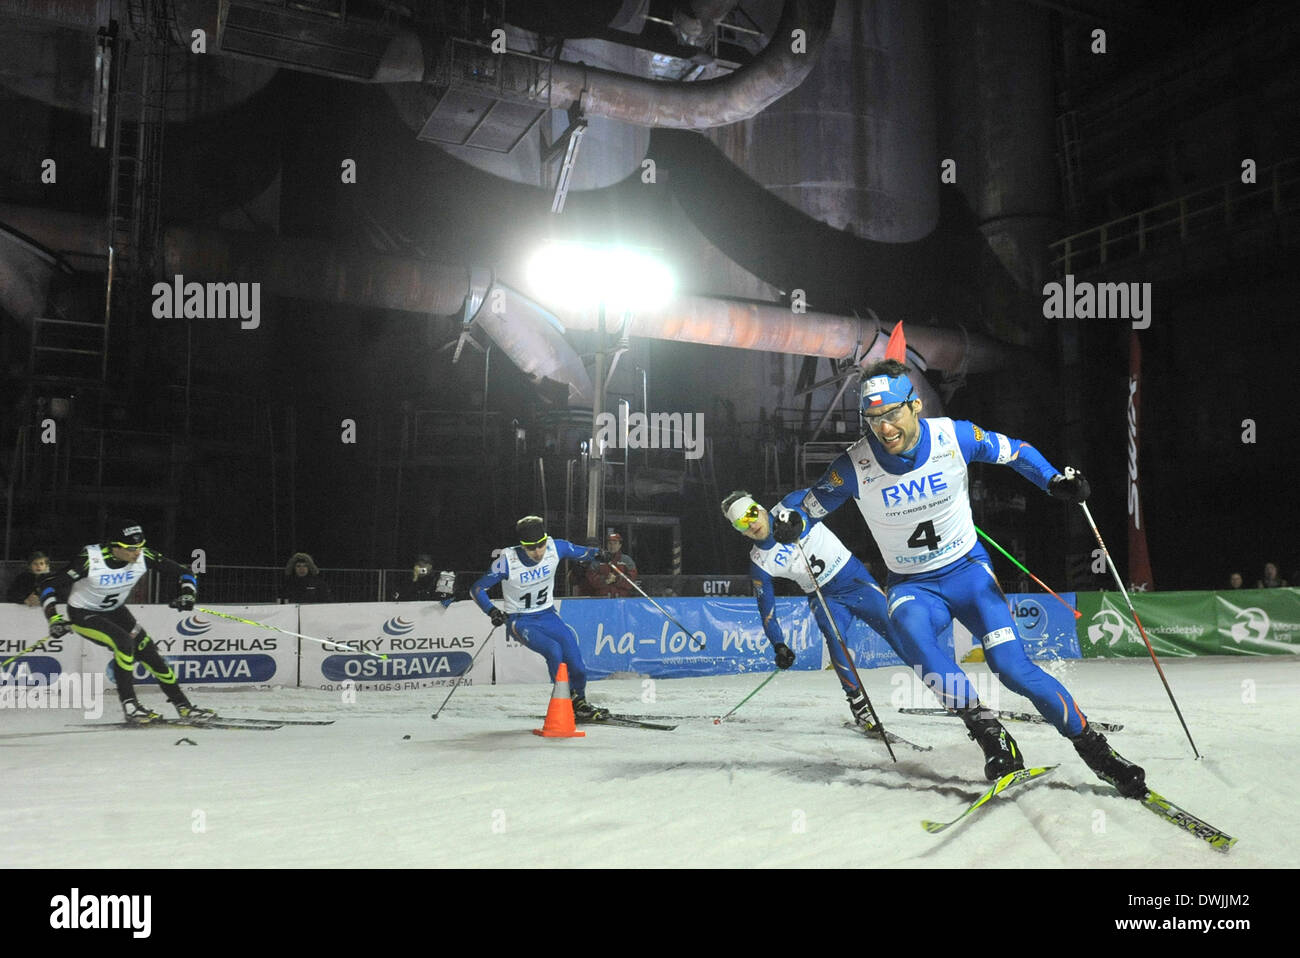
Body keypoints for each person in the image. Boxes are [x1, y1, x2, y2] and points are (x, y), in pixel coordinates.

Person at [772, 359, 1146, 797]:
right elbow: (810, 504)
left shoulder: (954, 436)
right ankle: (989, 733)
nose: (884, 428)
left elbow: (1017, 451)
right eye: (872, 419)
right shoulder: (854, 465)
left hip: (968, 573)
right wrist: (792, 521)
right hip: (912, 585)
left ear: (914, 406)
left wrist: (1054, 482)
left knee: (1012, 670)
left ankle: (1096, 750)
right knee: (914, 639)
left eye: (892, 414)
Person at [722, 490, 971, 730]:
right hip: (824, 597)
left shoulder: (792, 503)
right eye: (741, 524)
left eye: (751, 514)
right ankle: (858, 704)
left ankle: (946, 689)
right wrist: (778, 644)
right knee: (835, 638)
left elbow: (836, 490)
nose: (751, 524)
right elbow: (766, 611)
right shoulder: (759, 563)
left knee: (902, 634)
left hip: (853, 579)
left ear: (762, 509)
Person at [38, 520, 215, 724]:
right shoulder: (90, 560)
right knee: (123, 642)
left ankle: (184, 708)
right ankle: (131, 707)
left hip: (115, 612)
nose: (137, 553)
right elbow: (47, 585)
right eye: (131, 549)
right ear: (114, 546)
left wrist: (187, 594)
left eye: (139, 547)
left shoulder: (143, 556)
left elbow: (185, 572)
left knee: (151, 654)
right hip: (84, 614)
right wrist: (54, 618)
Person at [470, 516, 611, 719]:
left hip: (548, 616)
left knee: (578, 665)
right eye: (531, 548)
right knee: (554, 650)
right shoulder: (507, 561)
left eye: (541, 545)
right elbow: (477, 589)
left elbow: (584, 553)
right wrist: (492, 611)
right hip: (521, 620)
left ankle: (579, 702)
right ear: (522, 545)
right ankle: (564, 701)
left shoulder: (556, 547)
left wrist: (599, 554)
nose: (538, 552)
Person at [584, 530, 638, 597]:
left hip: (622, 600)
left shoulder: (627, 560)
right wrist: (605, 580)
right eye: (610, 543)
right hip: (602, 600)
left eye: (615, 543)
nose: (612, 546)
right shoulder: (598, 560)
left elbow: (632, 579)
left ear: (620, 545)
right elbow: (591, 578)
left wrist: (617, 579)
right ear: (606, 545)